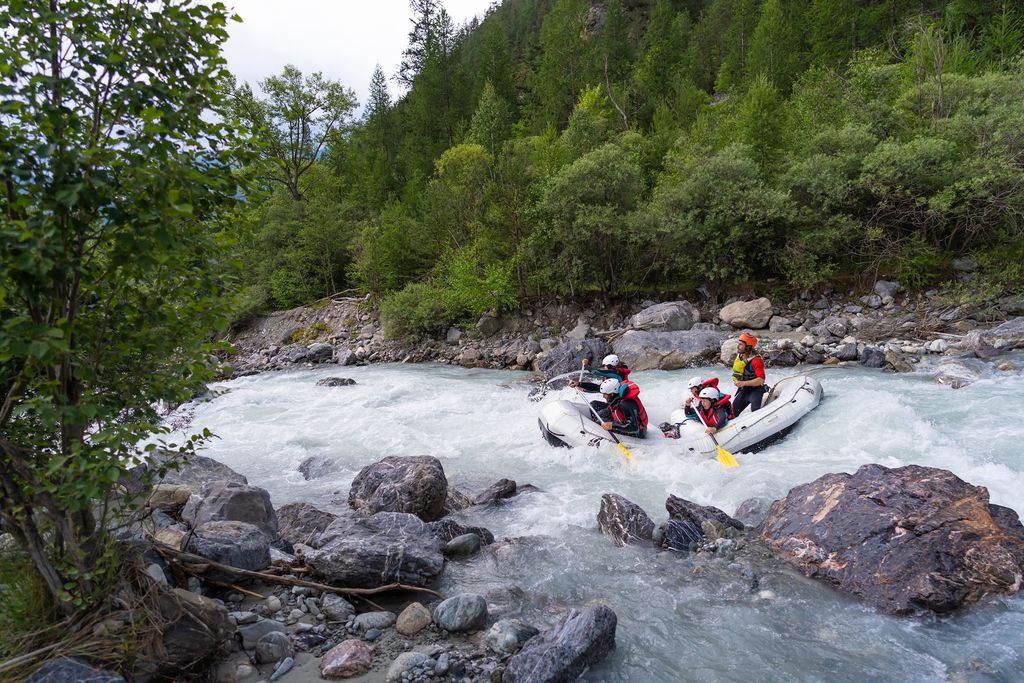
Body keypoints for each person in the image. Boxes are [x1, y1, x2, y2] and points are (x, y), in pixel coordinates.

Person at [568, 376, 648, 438]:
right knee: (594, 404)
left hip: (637, 432)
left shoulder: (626, 404)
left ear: (612, 394)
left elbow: (634, 428)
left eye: (605, 394)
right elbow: (596, 387)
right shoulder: (614, 390)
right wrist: (579, 384)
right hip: (619, 414)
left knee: (599, 421)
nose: (603, 396)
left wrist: (612, 425)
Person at [731, 332, 766, 415]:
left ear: (748, 347)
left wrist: (743, 383)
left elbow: (761, 380)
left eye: (741, 345)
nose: (738, 346)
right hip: (744, 391)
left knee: (755, 412)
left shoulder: (756, 360)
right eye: (738, 344)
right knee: (732, 413)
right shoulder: (740, 356)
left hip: (756, 390)